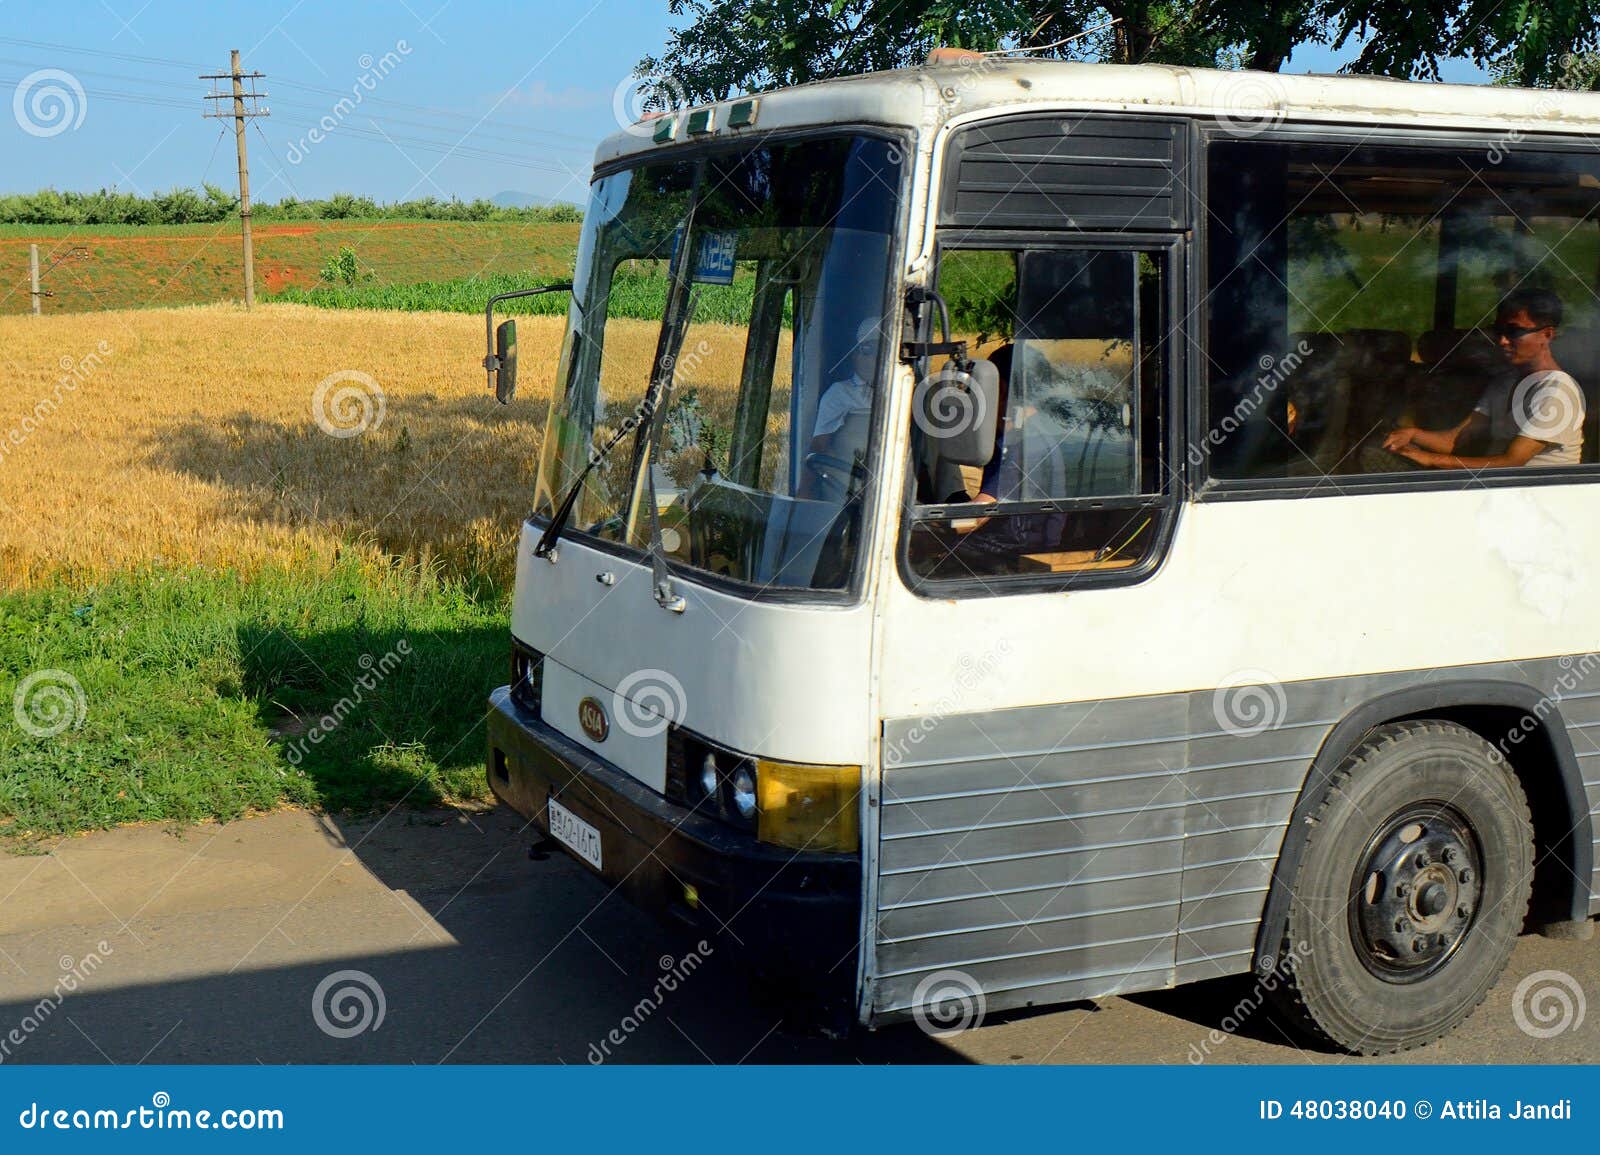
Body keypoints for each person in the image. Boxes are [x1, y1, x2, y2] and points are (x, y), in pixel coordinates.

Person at [1382, 288, 1584, 469]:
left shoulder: (1557, 390)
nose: (1503, 341)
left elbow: (1512, 462)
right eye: (1500, 332)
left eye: (1514, 332)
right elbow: (1455, 440)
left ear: (1547, 335)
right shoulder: (1505, 381)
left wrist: (1431, 459)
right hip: (1500, 494)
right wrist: (1411, 434)